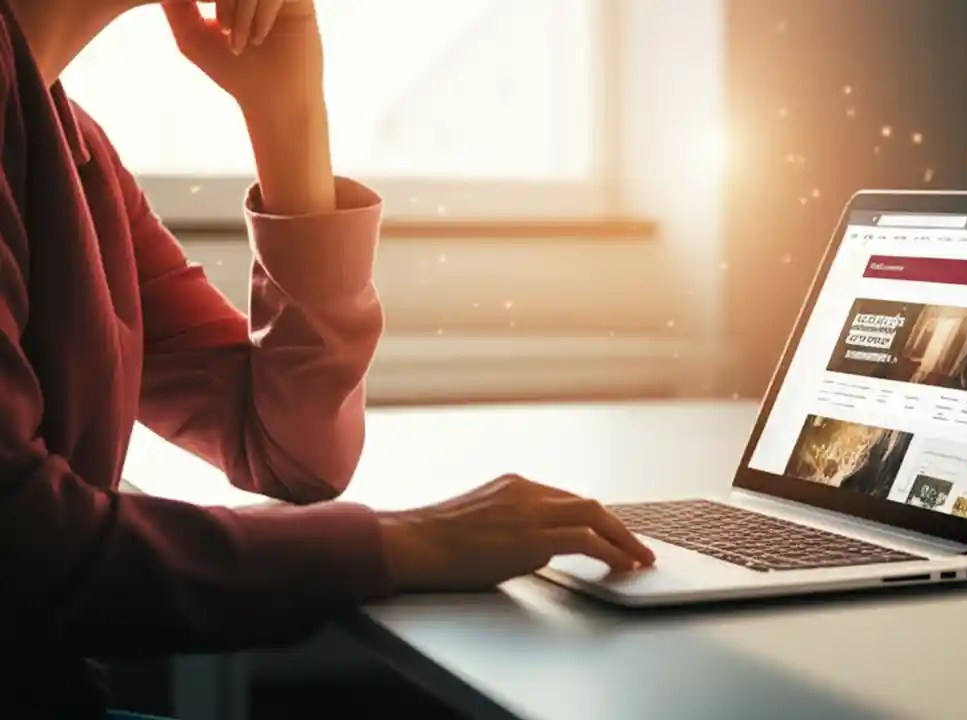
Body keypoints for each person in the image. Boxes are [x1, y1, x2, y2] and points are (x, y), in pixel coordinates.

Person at [0, 0, 655, 717]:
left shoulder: (69, 139)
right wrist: (408, 543)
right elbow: (26, 546)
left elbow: (293, 451)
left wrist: (289, 117)